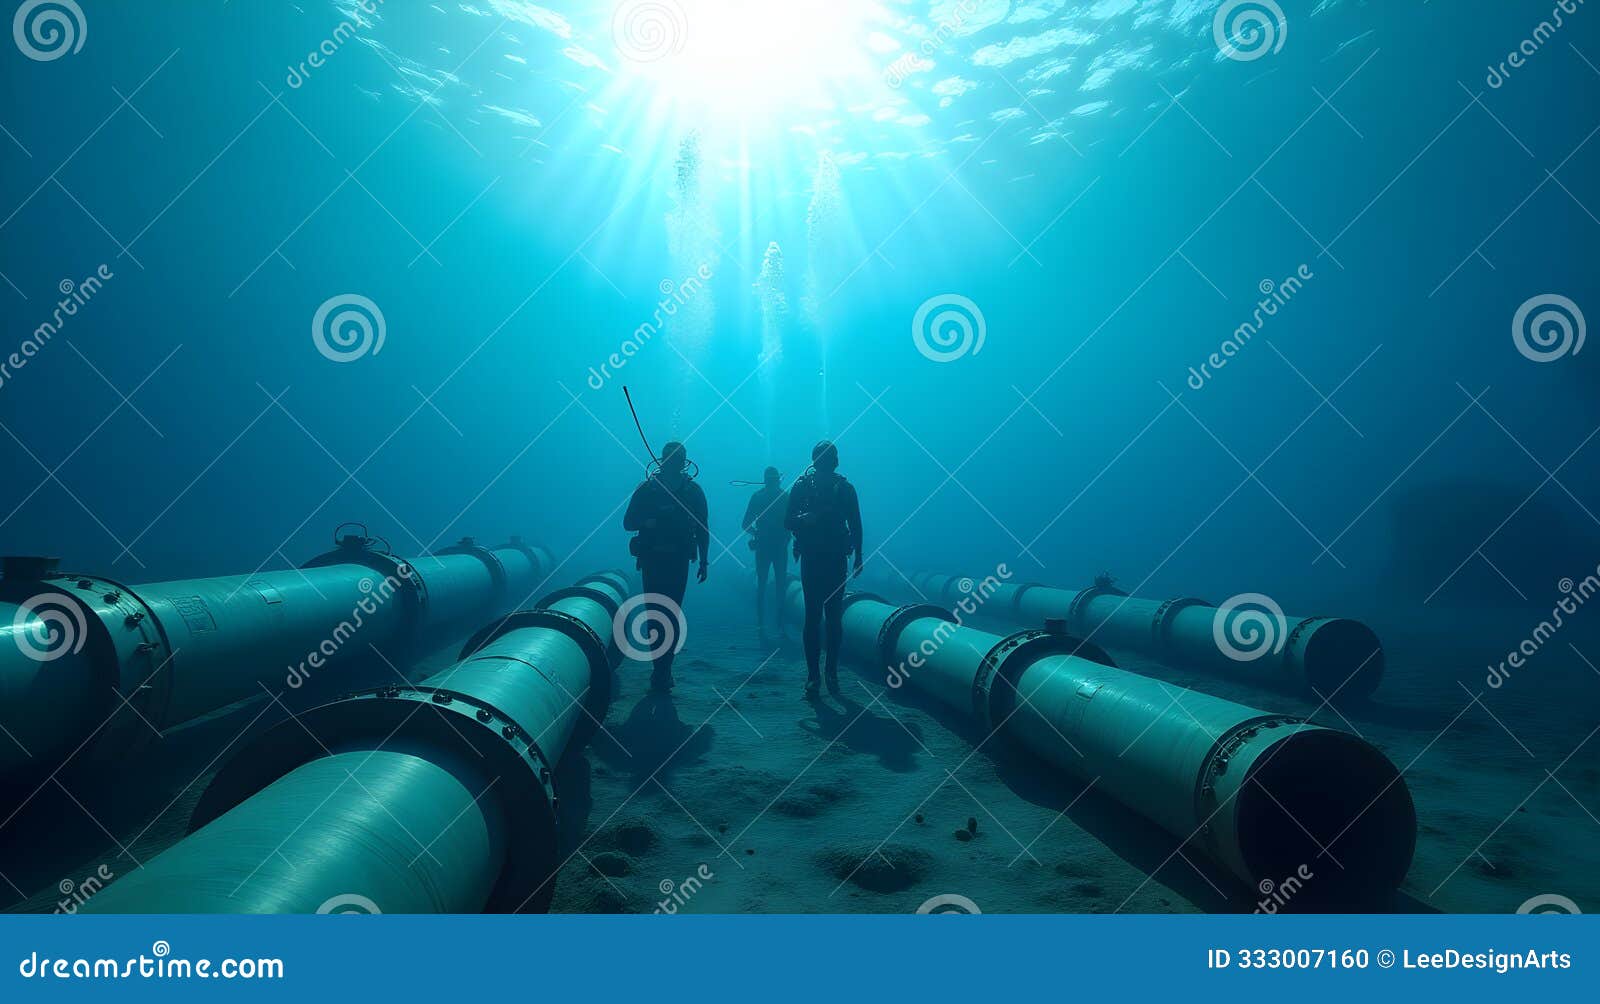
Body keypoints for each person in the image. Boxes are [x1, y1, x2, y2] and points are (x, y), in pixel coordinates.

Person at [623, 441, 709, 693]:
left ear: (684, 462)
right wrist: (647, 522)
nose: (675, 463)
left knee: (670, 613)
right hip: (652, 559)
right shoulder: (647, 489)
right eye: (672, 458)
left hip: (679, 559)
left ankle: (664, 668)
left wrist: (704, 560)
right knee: (654, 613)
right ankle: (659, 669)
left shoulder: (693, 491)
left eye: (679, 458)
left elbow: (703, 528)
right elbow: (628, 522)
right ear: (663, 460)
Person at [785, 440, 863, 698]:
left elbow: (855, 523)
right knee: (814, 616)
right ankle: (814, 674)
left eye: (831, 458)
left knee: (831, 617)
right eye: (825, 458)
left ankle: (828, 671)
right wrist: (803, 519)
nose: (828, 462)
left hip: (835, 559)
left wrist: (859, 555)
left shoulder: (845, 489)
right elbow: (787, 521)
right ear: (817, 461)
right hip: (813, 558)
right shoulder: (802, 488)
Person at [741, 466, 791, 644]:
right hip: (776, 547)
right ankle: (776, 625)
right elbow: (792, 523)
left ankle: (763, 624)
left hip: (767, 546)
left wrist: (756, 534)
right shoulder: (784, 496)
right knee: (777, 585)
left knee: (763, 584)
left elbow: (746, 524)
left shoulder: (759, 497)